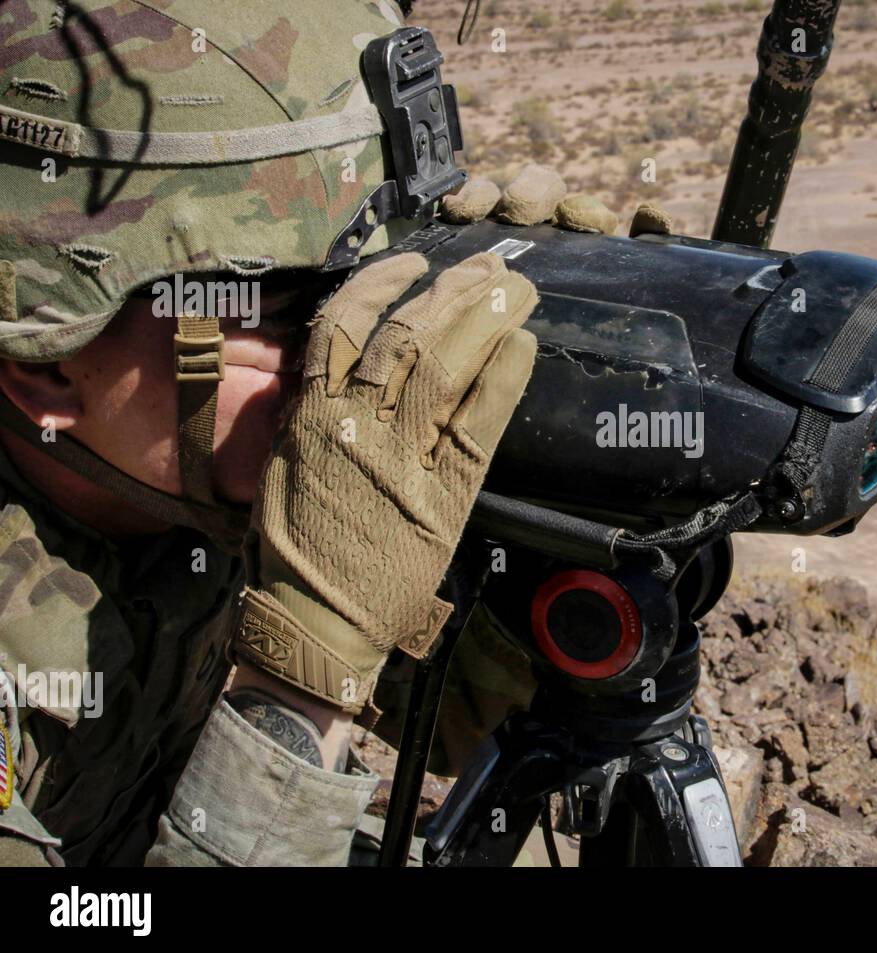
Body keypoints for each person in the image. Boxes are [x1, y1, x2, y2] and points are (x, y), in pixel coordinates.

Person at [0, 0, 639, 865]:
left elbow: (436, 718)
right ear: (48, 360)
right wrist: (300, 686)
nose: (350, 345)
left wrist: (566, 472)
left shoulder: (176, 476)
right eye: (293, 304)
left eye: (380, 277)